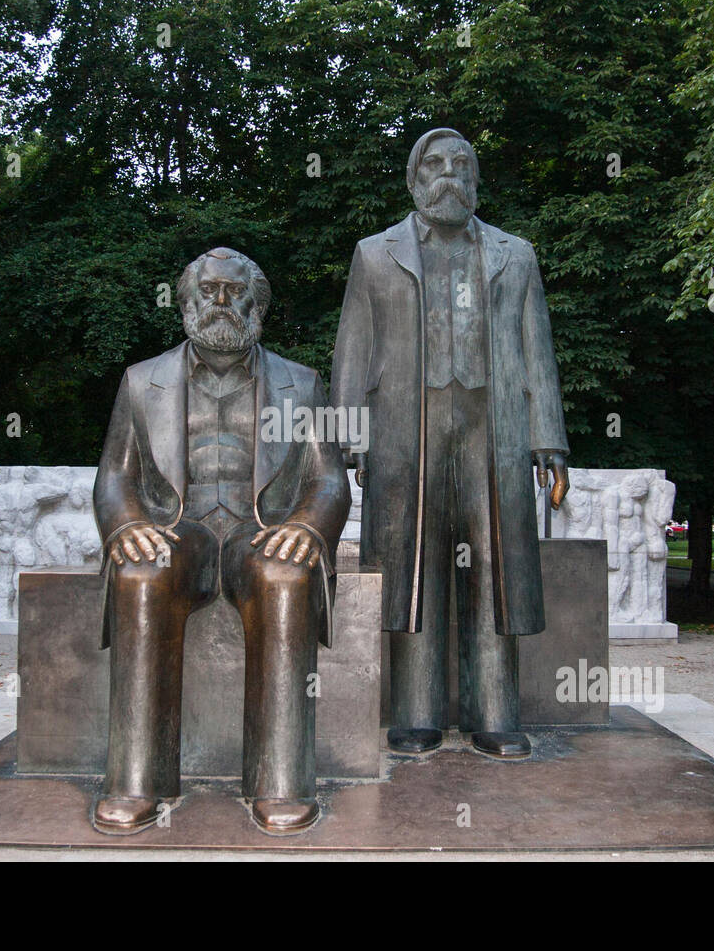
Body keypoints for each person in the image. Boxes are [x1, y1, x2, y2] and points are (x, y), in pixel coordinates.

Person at [91, 247, 349, 836]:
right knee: (140, 573)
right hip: (177, 529)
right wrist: (127, 524)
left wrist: (307, 526)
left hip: (261, 530)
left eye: (237, 292)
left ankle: (280, 780)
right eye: (209, 291)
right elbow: (114, 476)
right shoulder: (141, 381)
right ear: (186, 302)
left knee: (284, 575)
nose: (223, 302)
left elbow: (328, 478)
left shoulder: (302, 383)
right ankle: (138, 780)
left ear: (258, 304)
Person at [331, 128, 570, 758]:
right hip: (405, 430)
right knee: (416, 567)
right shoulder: (374, 255)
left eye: (461, 165)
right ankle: (417, 713)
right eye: (434, 165)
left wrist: (550, 441)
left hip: (495, 431)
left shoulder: (515, 254)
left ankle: (496, 713)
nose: (448, 174)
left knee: (496, 568)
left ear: (476, 180)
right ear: (413, 180)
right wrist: (347, 438)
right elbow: (353, 350)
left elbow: (536, 349)